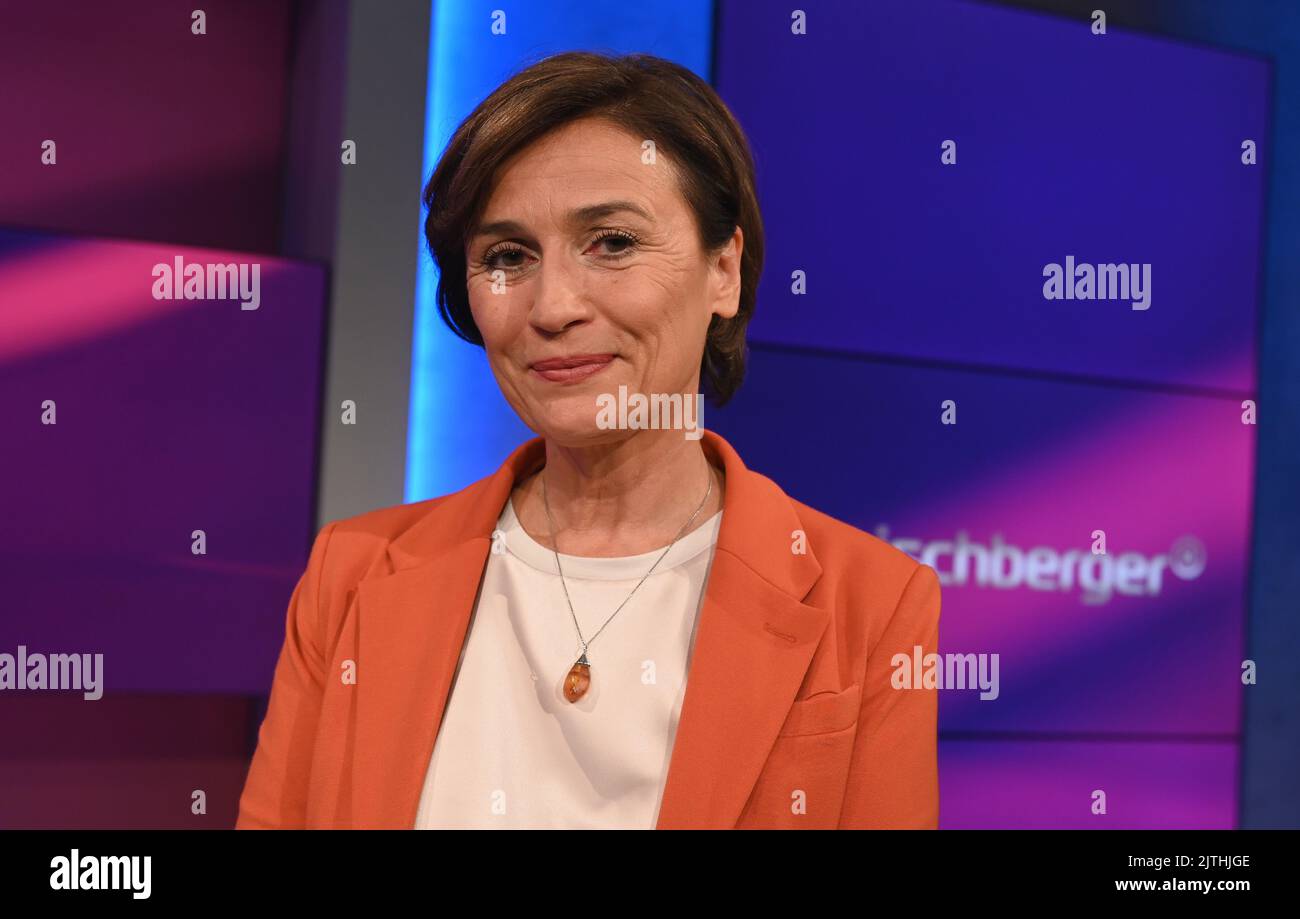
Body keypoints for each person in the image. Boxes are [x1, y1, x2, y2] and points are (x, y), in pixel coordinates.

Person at [236, 51, 940, 830]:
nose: (553, 305)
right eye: (507, 257)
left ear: (725, 271)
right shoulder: (352, 575)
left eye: (611, 242)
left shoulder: (870, 603)